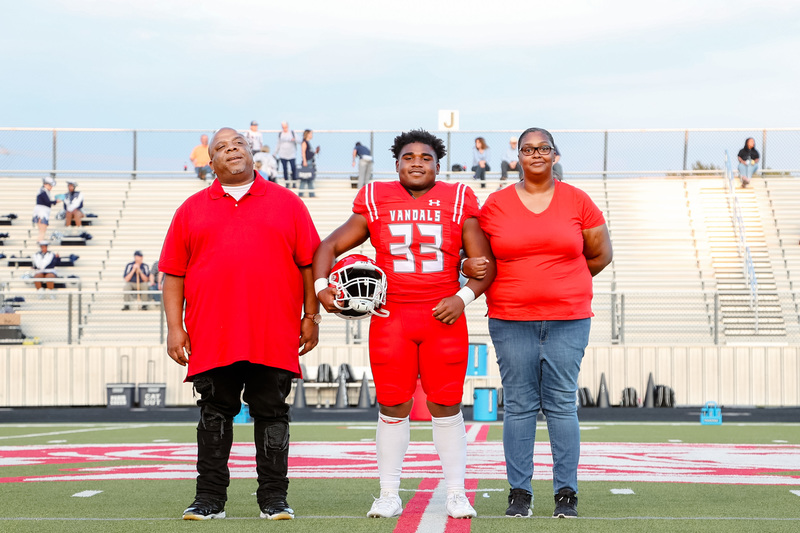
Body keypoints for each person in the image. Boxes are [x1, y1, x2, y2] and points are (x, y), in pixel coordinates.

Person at [312, 129, 496, 520]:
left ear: (438, 166)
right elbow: (328, 246)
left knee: (445, 403)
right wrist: (320, 287)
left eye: (426, 157)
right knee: (393, 404)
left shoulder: (458, 198)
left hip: (442, 316)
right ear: (396, 164)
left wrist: (461, 298)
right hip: (391, 316)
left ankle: (456, 492)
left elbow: (485, 265)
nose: (417, 162)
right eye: (408, 157)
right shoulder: (376, 198)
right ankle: (388, 493)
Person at [160, 127, 320, 521]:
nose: (232, 149)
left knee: (272, 412)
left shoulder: (288, 203)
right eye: (222, 147)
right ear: (210, 161)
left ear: (252, 152)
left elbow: (308, 265)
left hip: (273, 331)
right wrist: (175, 327)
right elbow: (174, 274)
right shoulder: (190, 209)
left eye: (239, 144)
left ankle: (274, 498)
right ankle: (209, 498)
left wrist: (311, 316)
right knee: (214, 412)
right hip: (212, 332)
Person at [478, 127, 612, 519]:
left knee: (561, 405)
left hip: (568, 320)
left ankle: (566, 494)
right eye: (528, 149)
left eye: (543, 148)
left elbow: (600, 254)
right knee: (519, 405)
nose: (536, 154)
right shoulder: (496, 204)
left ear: (555, 155)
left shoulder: (578, 200)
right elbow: (481, 258)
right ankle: (519, 493)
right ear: (518, 156)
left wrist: (563, 283)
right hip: (510, 319)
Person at [276, 122, 298, 188]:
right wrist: (275, 153)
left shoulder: (292, 133)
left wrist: (295, 139)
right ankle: (287, 183)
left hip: (292, 155)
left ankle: (294, 183)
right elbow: (278, 144)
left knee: (293, 168)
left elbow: (300, 140)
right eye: (283, 127)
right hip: (283, 155)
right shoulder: (280, 134)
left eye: (285, 127)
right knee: (285, 169)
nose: (284, 128)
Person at [299, 130, 319, 198]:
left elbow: (308, 153)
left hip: (310, 161)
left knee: (310, 178)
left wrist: (315, 152)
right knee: (304, 178)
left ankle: (312, 194)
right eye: (310, 134)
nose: (311, 135)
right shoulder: (304, 142)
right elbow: (303, 152)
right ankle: (301, 194)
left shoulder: (308, 142)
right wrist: (304, 161)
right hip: (307, 162)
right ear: (307, 134)